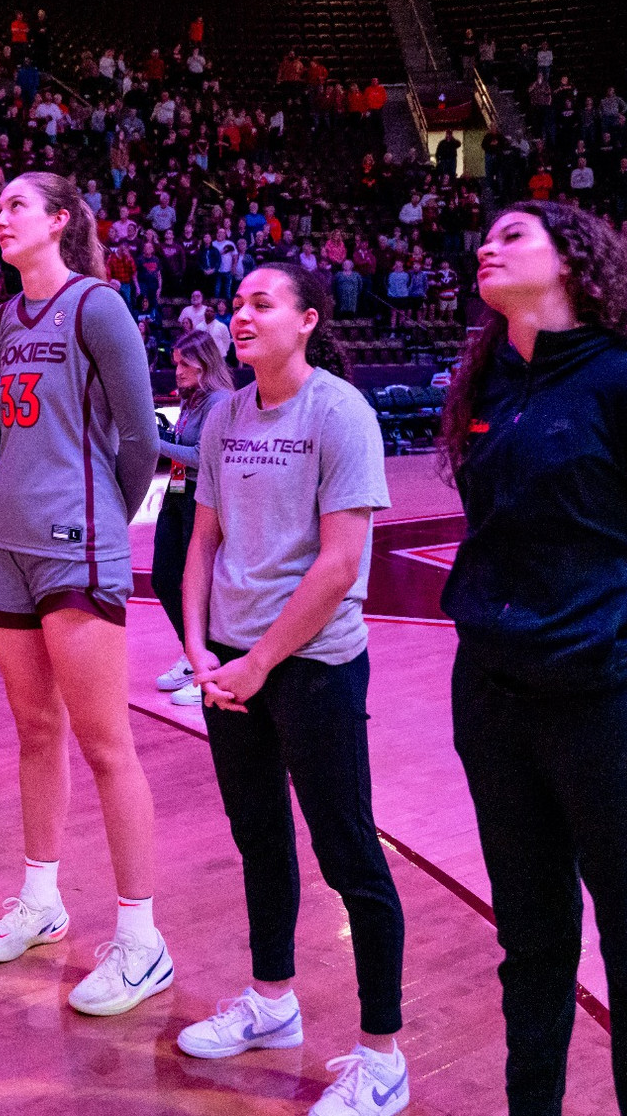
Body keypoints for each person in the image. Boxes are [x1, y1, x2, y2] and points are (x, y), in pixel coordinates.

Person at [440, 201, 627, 1116]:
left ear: (573, 262)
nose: (487, 247)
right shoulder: (489, 382)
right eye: (484, 238)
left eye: (513, 235)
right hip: (497, 707)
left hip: (614, 710)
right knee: (531, 946)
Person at [174, 262, 409, 1116]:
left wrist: (259, 659)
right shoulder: (226, 415)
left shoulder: (340, 411)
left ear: (308, 319)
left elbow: (342, 562)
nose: (241, 314)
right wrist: (199, 647)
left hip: (311, 665)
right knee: (260, 841)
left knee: (349, 854)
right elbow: (202, 540)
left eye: (261, 302)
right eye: (236, 302)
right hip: (233, 665)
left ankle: (382, 1054)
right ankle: (272, 1001)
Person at [0, 172, 166, 1017]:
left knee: (106, 743)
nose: (0, 216)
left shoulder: (98, 306)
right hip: (4, 543)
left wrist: (101, 523)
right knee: (33, 731)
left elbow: (141, 435)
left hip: (74, 545)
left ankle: (141, 939)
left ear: (59, 221)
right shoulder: (3, 316)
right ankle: (42, 899)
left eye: (18, 204)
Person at [150, 329, 233, 701]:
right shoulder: (193, 399)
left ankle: (206, 666)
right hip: (178, 492)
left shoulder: (219, 401)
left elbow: (202, 456)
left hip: (203, 499)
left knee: (195, 583)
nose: (178, 370)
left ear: (204, 363)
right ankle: (193, 652)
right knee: (163, 577)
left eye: (185, 363)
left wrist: (154, 442)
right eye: (176, 363)